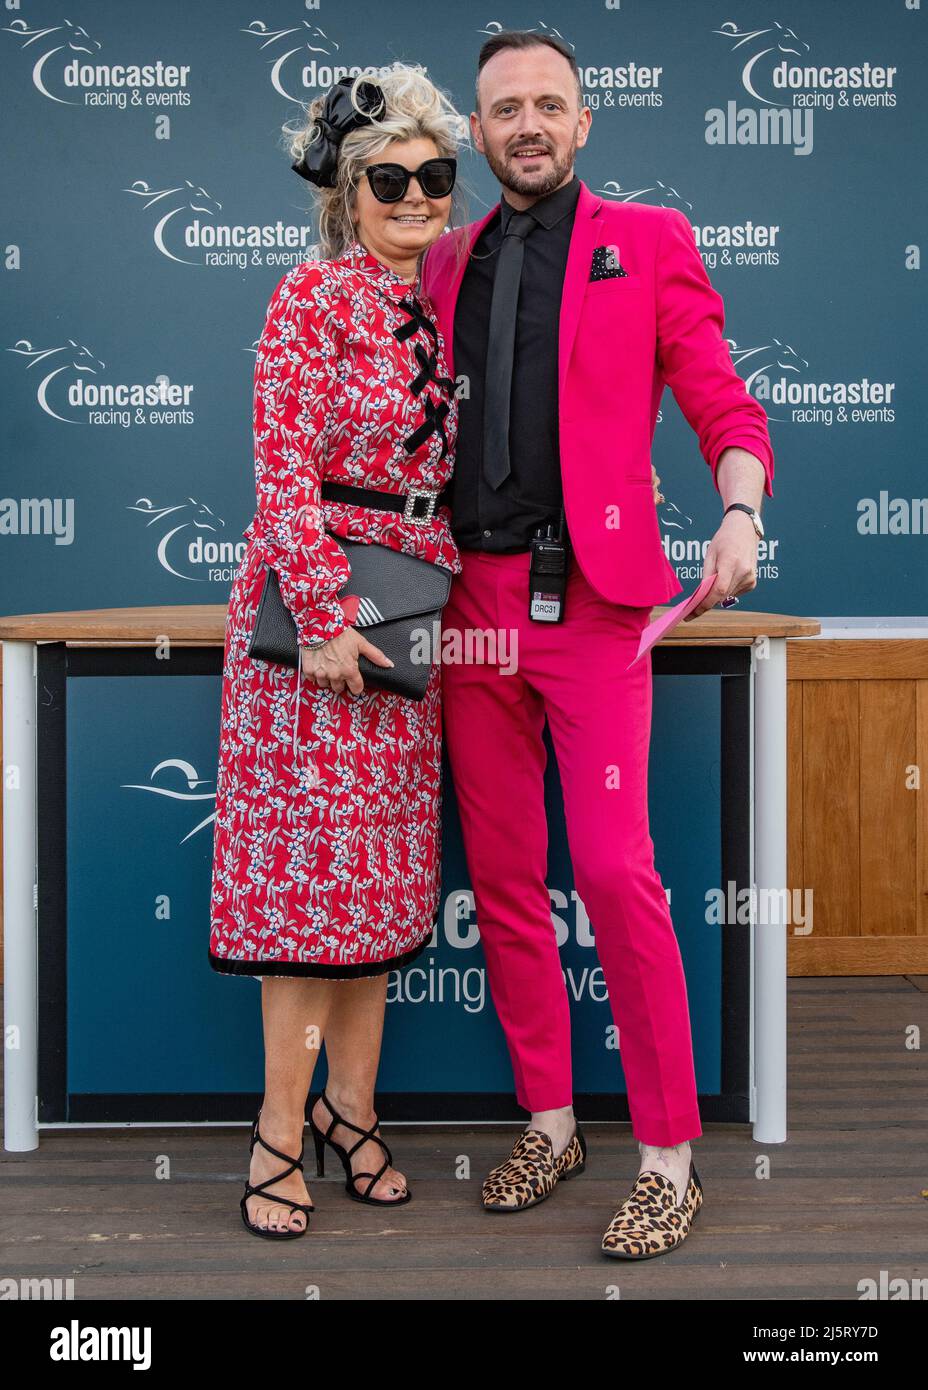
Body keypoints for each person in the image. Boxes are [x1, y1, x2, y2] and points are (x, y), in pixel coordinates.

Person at [421, 30, 774, 1259]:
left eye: (546, 105)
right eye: (502, 108)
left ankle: (667, 1156)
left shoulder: (649, 240)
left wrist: (739, 506)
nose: (524, 124)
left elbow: (723, 400)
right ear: (478, 133)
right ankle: (551, 1119)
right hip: (466, 612)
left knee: (616, 874)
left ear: (582, 125)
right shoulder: (444, 258)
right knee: (506, 881)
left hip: (598, 613)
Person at [209, 66, 466, 1238]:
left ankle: (351, 1113)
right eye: (391, 179)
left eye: (433, 176)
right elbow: (282, 472)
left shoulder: (448, 303)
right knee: (306, 898)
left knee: (376, 896)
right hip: (317, 628)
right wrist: (320, 616)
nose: (416, 197)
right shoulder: (311, 298)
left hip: (413, 615)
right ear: (347, 194)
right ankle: (276, 1130)